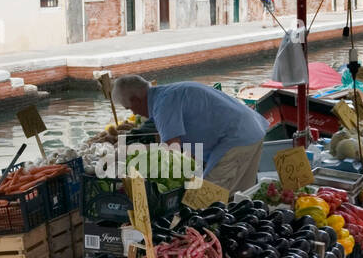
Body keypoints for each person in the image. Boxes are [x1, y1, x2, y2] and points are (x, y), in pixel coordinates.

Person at [112, 75, 269, 194]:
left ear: (135, 100)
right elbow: (186, 149)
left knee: (208, 197)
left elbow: (172, 151)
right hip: (252, 130)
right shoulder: (168, 93)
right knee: (240, 197)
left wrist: (131, 153)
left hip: (237, 138)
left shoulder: (164, 104)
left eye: (129, 108)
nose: (133, 112)